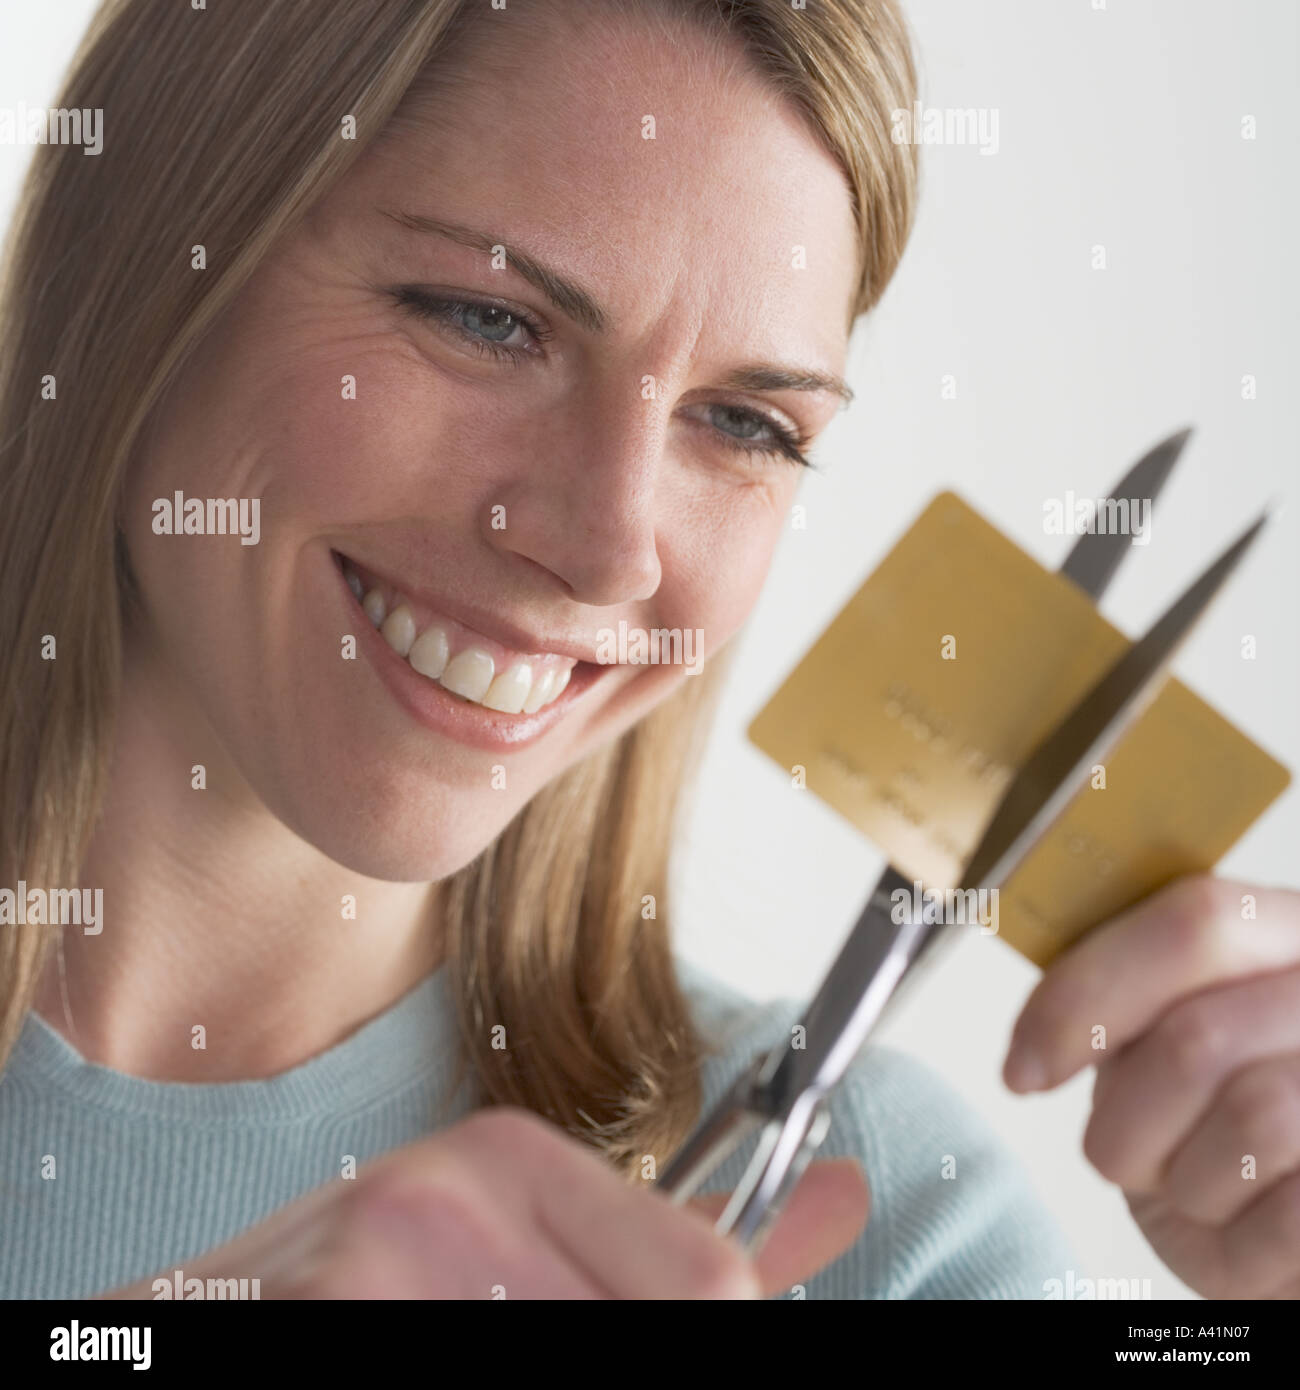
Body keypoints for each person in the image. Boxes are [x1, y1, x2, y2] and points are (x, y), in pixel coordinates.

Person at [1, 0, 1296, 1301]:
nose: (612, 548)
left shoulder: (890, 1223)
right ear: (145, 258)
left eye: (742, 422)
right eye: (487, 319)